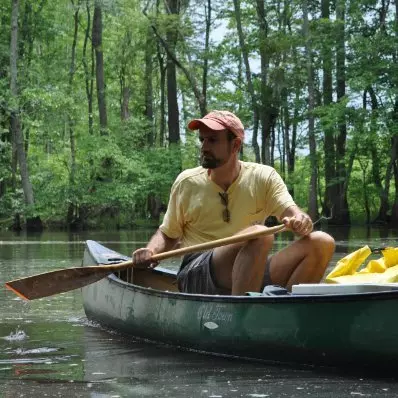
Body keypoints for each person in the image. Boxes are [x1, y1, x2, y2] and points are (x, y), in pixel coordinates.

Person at [132, 110, 335, 295]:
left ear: (235, 145)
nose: (204, 147)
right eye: (202, 140)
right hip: (197, 271)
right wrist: (151, 252)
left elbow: (292, 213)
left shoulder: (264, 176)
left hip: (249, 269)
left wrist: (301, 220)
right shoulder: (187, 182)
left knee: (322, 242)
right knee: (260, 234)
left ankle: (287, 316)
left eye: (212, 140)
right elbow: (168, 235)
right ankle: (242, 318)